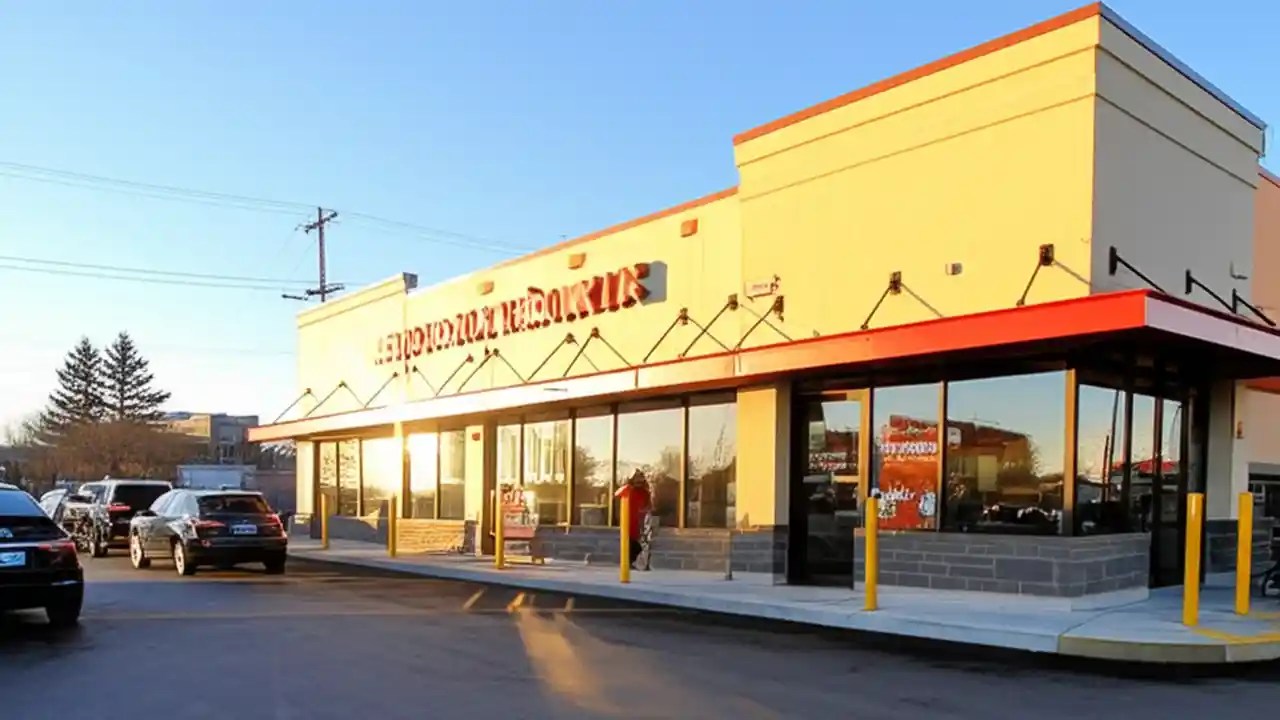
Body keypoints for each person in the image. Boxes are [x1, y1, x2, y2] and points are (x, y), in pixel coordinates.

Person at [615, 469, 652, 570]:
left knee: (639, 545)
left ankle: (637, 563)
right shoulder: (628, 489)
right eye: (636, 478)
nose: (639, 481)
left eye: (640, 478)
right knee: (631, 543)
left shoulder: (645, 492)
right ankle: (629, 563)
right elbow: (617, 494)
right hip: (628, 520)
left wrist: (645, 515)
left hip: (639, 522)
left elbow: (648, 506)